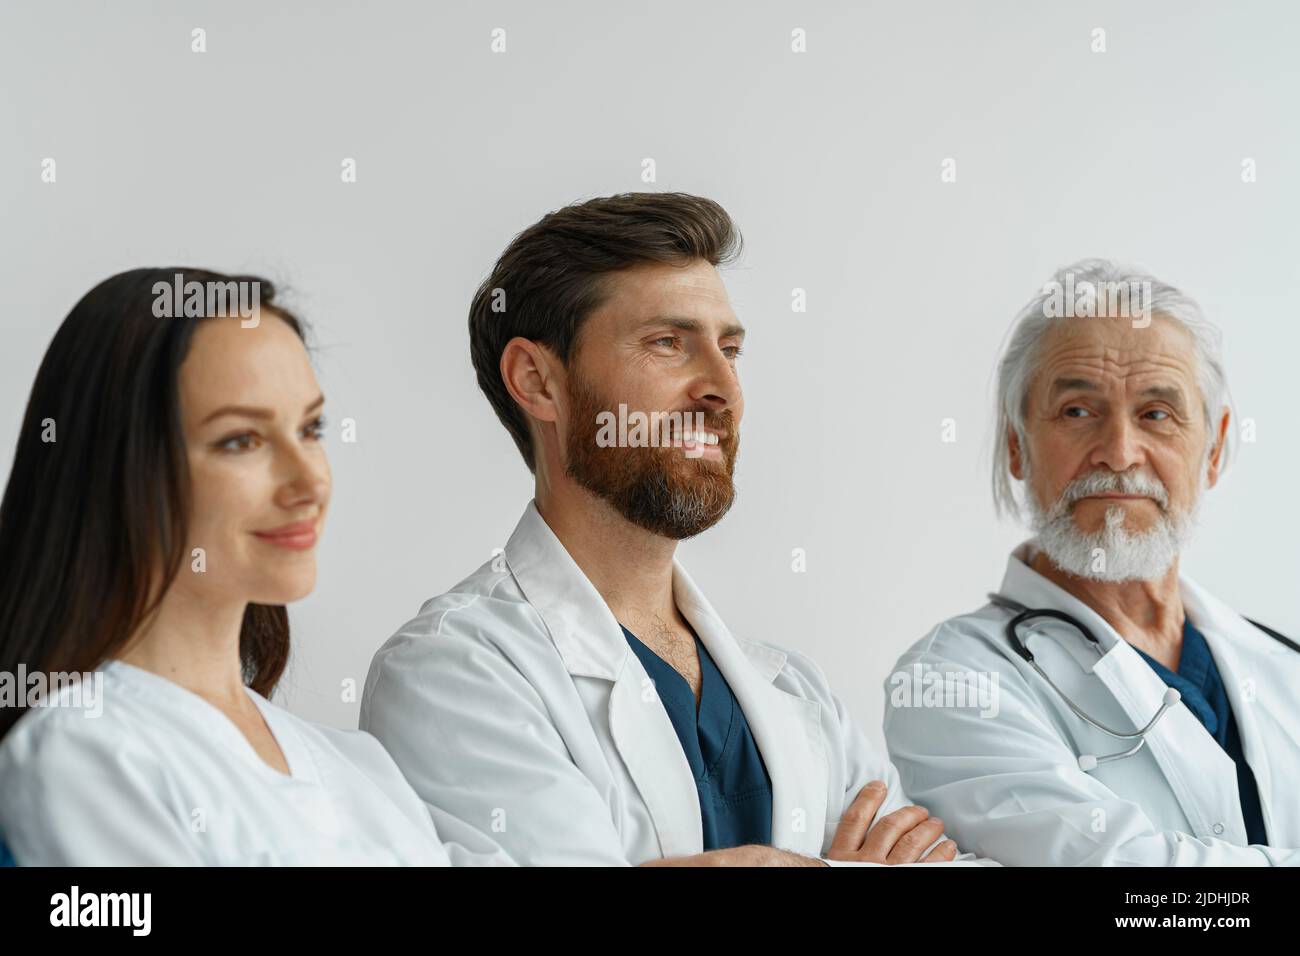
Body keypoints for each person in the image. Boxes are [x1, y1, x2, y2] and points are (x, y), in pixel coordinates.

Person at [361, 193, 986, 866]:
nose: (723, 388)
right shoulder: (453, 672)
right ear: (538, 381)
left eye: (731, 349)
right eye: (668, 343)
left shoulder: (794, 690)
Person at [0, 268, 510, 865]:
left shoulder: (359, 768)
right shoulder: (89, 755)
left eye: (309, 428)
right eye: (242, 440)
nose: (310, 481)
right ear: (120, 469)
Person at [884, 258, 1300, 866]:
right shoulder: (954, 683)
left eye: (1157, 414)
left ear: (1214, 449)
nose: (1119, 452)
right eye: (1078, 412)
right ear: (1015, 446)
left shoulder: (1283, 670)